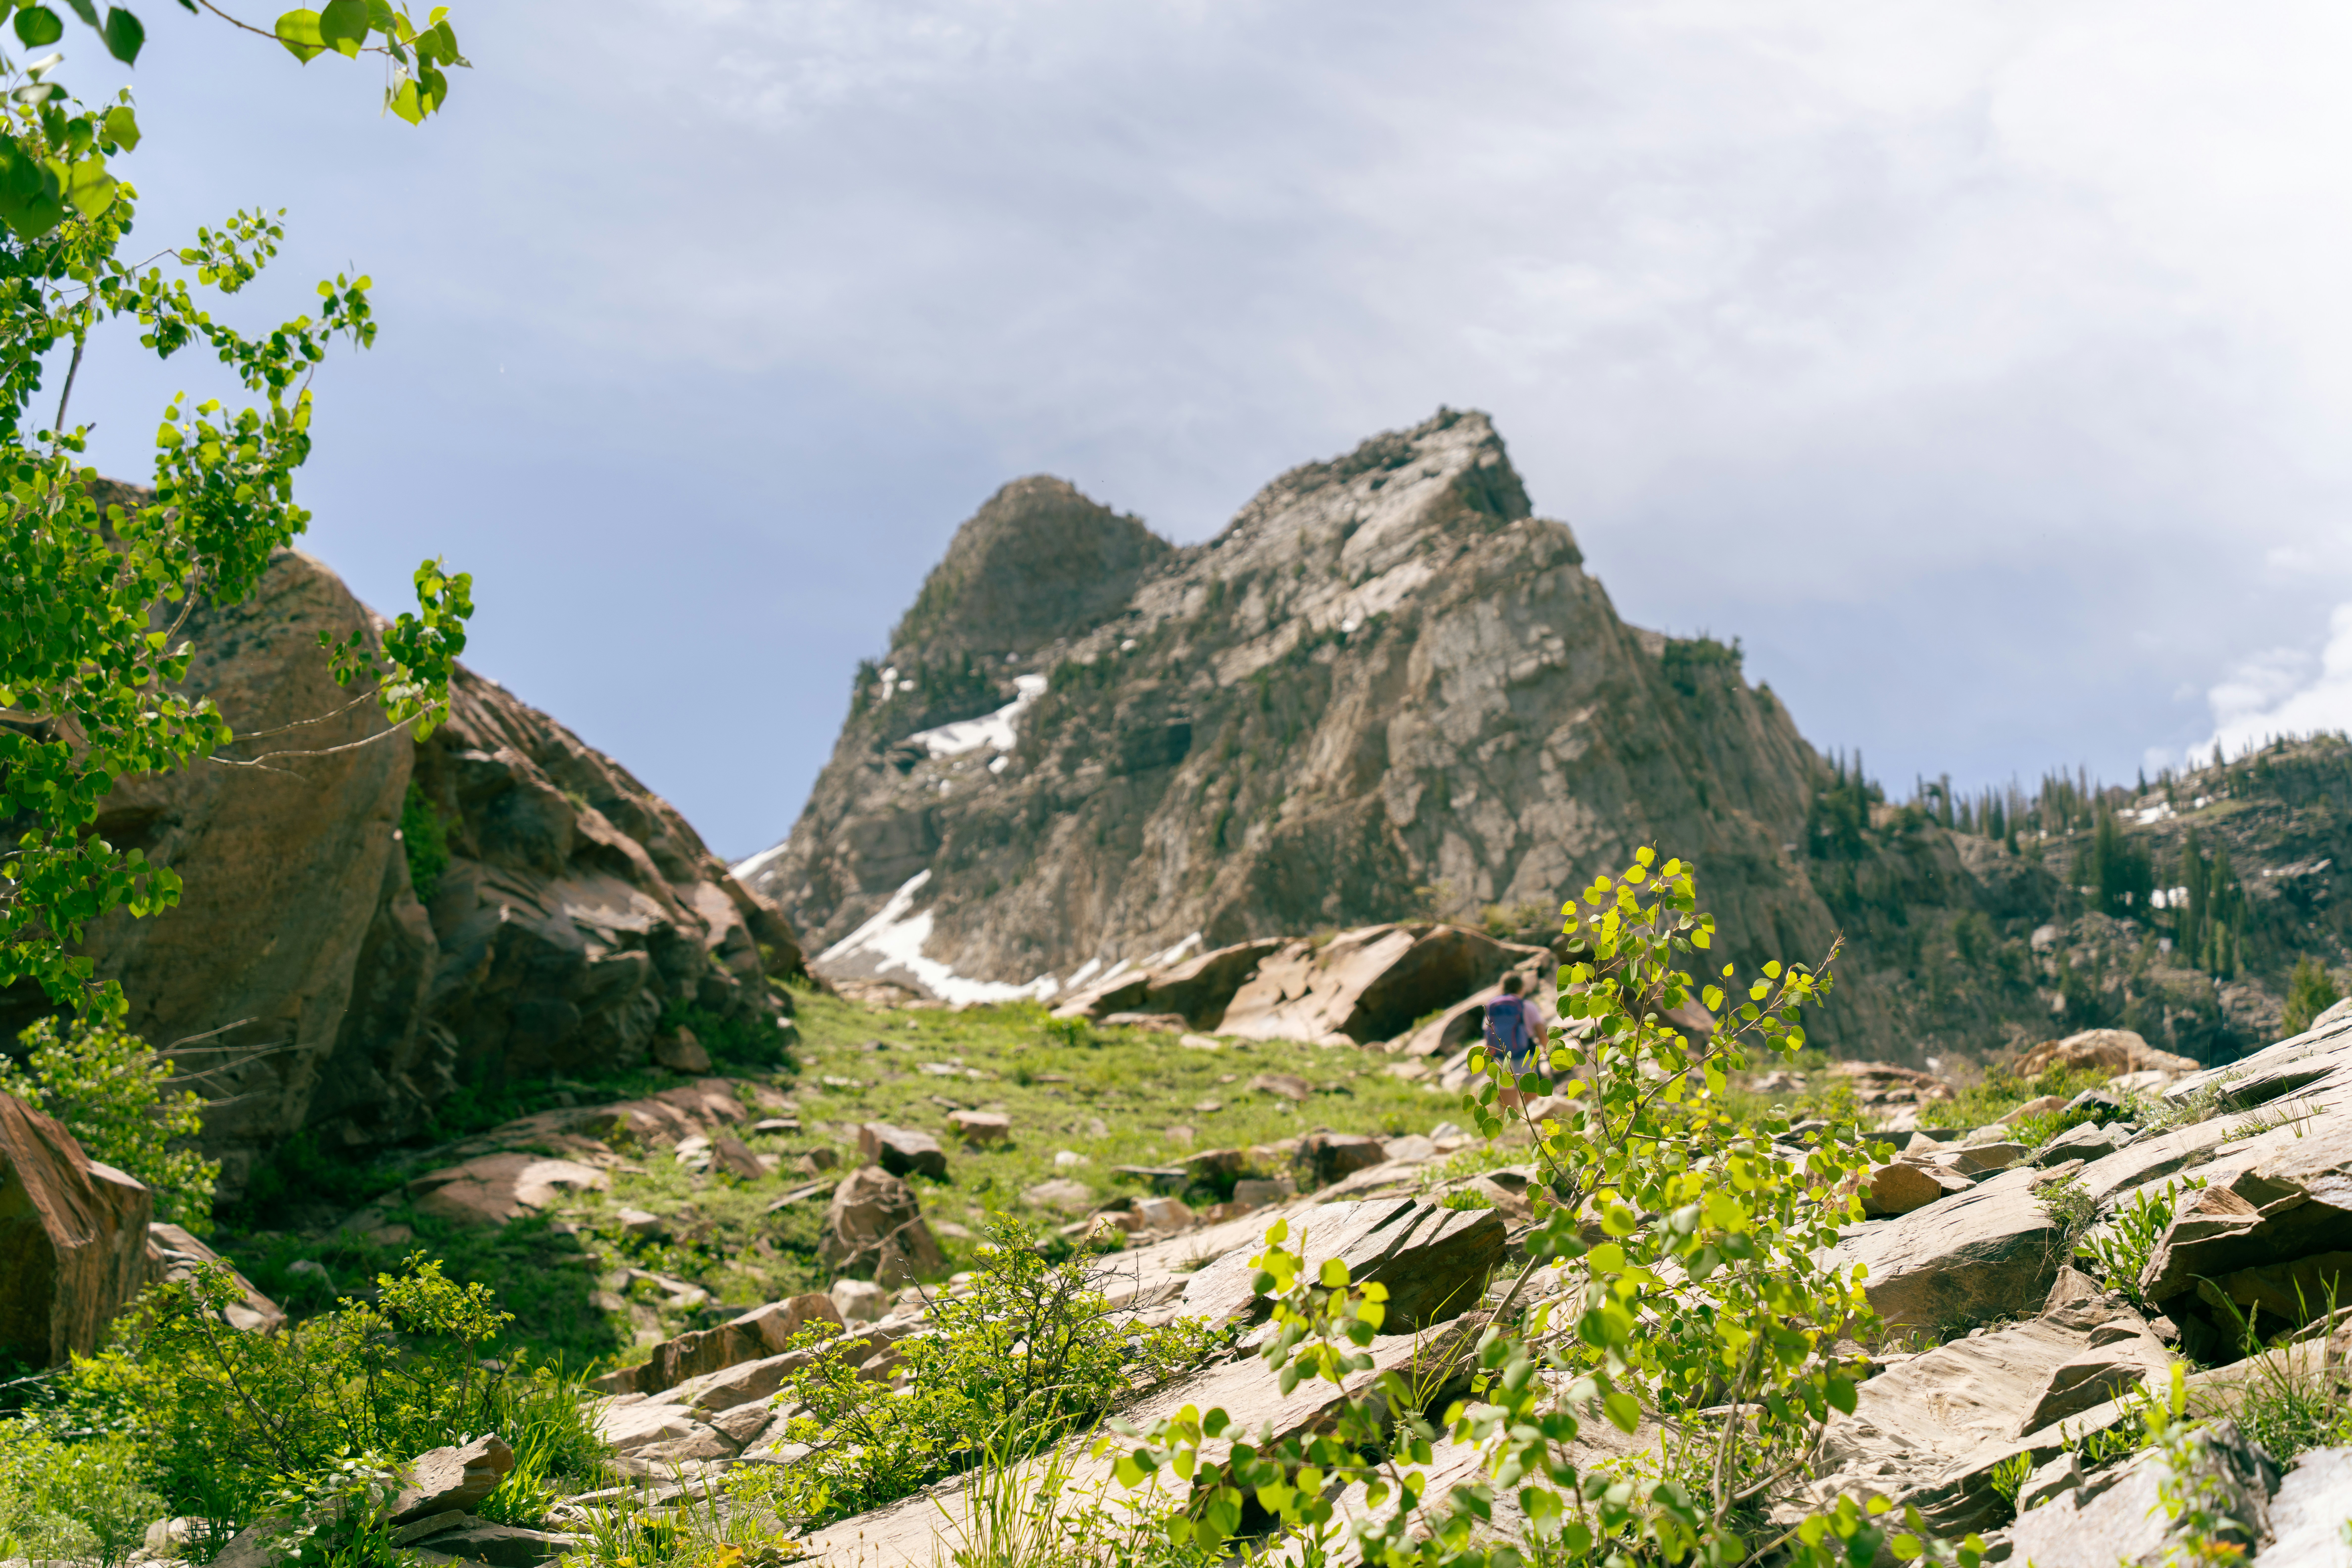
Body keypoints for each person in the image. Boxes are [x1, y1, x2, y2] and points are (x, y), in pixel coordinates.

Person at [1483, 973, 1547, 1110]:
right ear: (1522, 988)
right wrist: (1552, 1055)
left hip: (1501, 1058)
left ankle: (1513, 1129)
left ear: (1503, 988)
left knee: (1509, 1109)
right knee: (1533, 1107)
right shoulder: (1527, 1006)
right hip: (1525, 1056)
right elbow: (1542, 1034)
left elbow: (1488, 1037)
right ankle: (1533, 1129)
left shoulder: (1493, 1008)